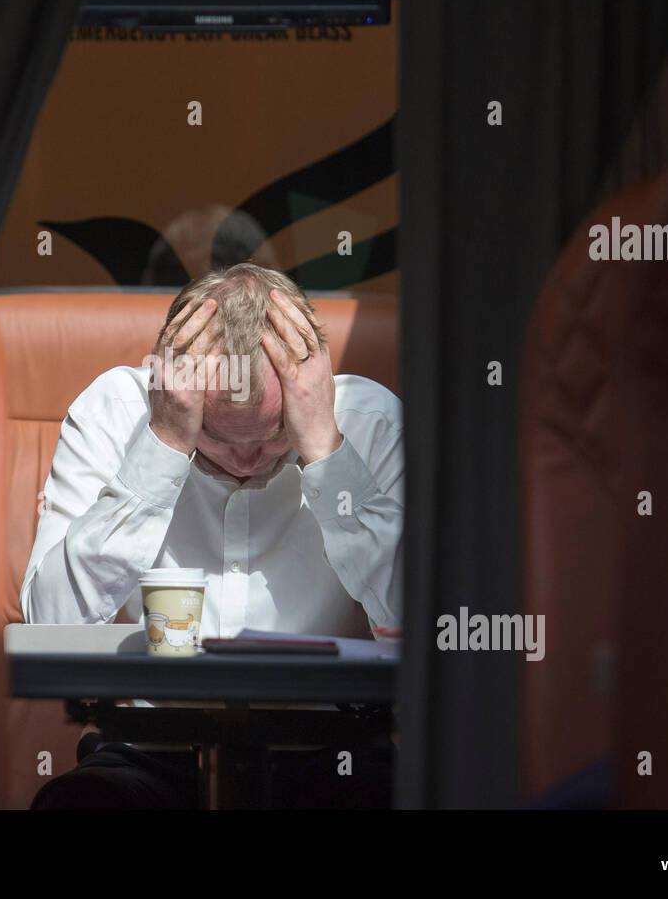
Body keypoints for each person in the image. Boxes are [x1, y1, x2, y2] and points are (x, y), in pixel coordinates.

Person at [22, 262, 403, 807]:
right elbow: (50, 626)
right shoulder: (116, 413)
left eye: (274, 435)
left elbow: (423, 624)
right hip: (150, 751)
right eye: (219, 438)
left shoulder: (372, 424)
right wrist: (164, 446)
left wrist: (324, 449)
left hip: (328, 750)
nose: (246, 460)